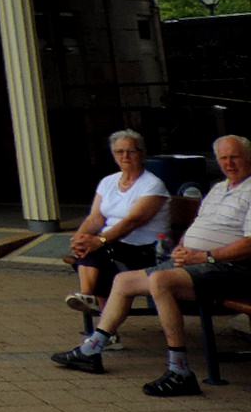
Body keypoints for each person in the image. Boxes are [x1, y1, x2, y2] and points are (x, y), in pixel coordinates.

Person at [52, 134, 251, 396]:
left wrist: (206, 256)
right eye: (223, 158)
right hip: (194, 263)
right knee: (124, 281)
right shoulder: (217, 189)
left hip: (228, 269)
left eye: (234, 157)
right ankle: (92, 350)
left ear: (248, 158)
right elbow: (198, 227)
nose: (229, 163)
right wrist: (182, 247)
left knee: (160, 281)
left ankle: (179, 370)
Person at [63, 129, 168, 314]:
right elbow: (95, 217)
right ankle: (93, 304)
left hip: (145, 248)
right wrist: (80, 238)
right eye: (119, 152)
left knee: (99, 253)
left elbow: (133, 221)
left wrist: (99, 240)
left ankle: (89, 298)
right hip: (113, 244)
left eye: (131, 151)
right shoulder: (108, 181)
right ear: (113, 155)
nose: (125, 156)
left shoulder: (152, 184)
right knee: (92, 250)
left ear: (141, 154)